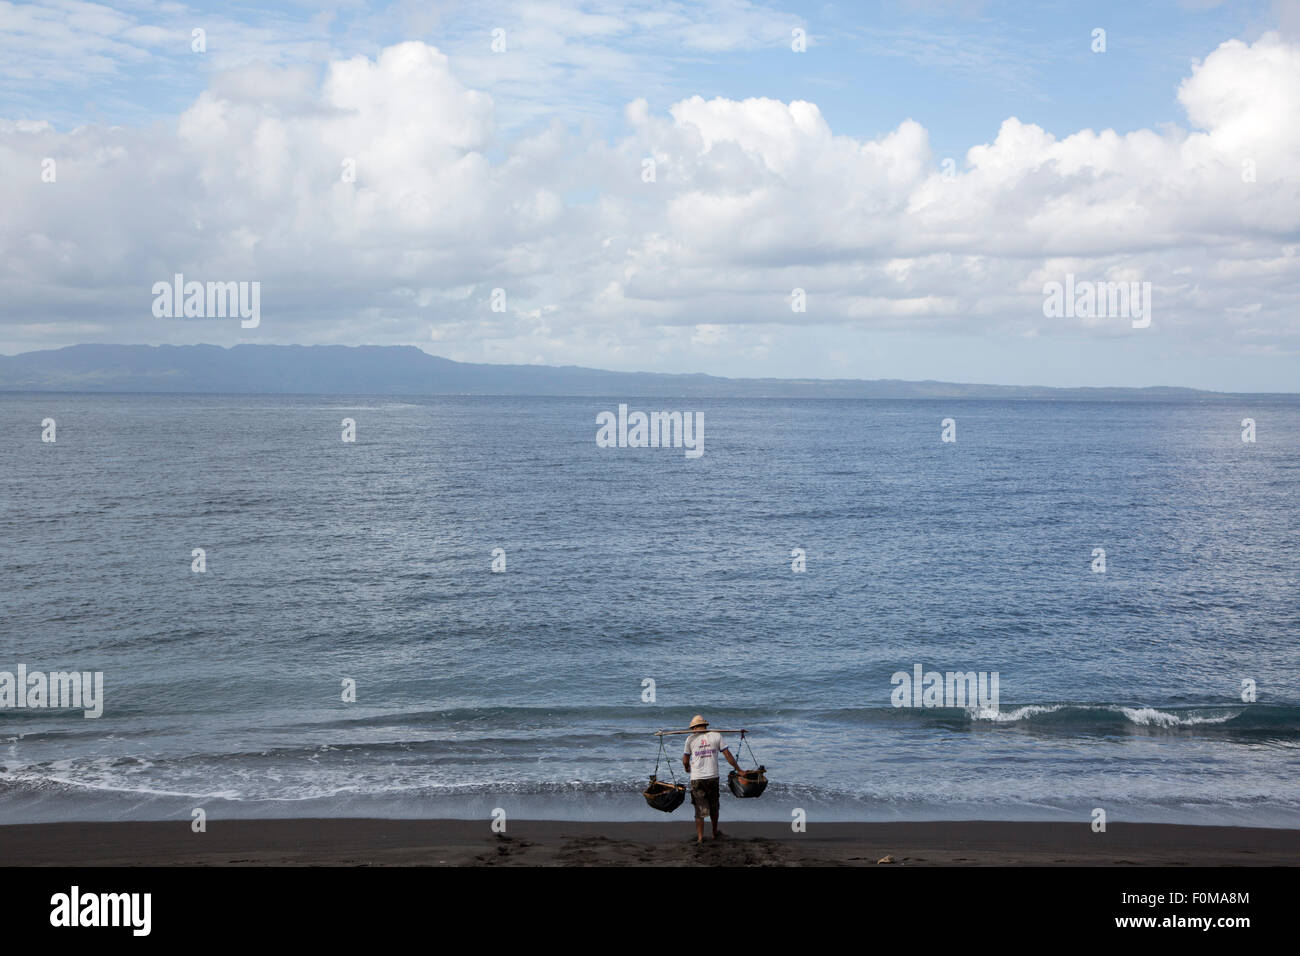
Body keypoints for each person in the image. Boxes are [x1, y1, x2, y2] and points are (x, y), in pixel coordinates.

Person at [681, 714, 740, 843]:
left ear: (694, 728)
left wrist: (687, 769)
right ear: (705, 726)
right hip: (713, 777)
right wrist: (739, 769)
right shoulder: (716, 736)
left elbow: (685, 760)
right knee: (714, 807)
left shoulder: (690, 739)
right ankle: (714, 833)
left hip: (697, 779)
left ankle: (700, 838)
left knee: (699, 808)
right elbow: (728, 755)